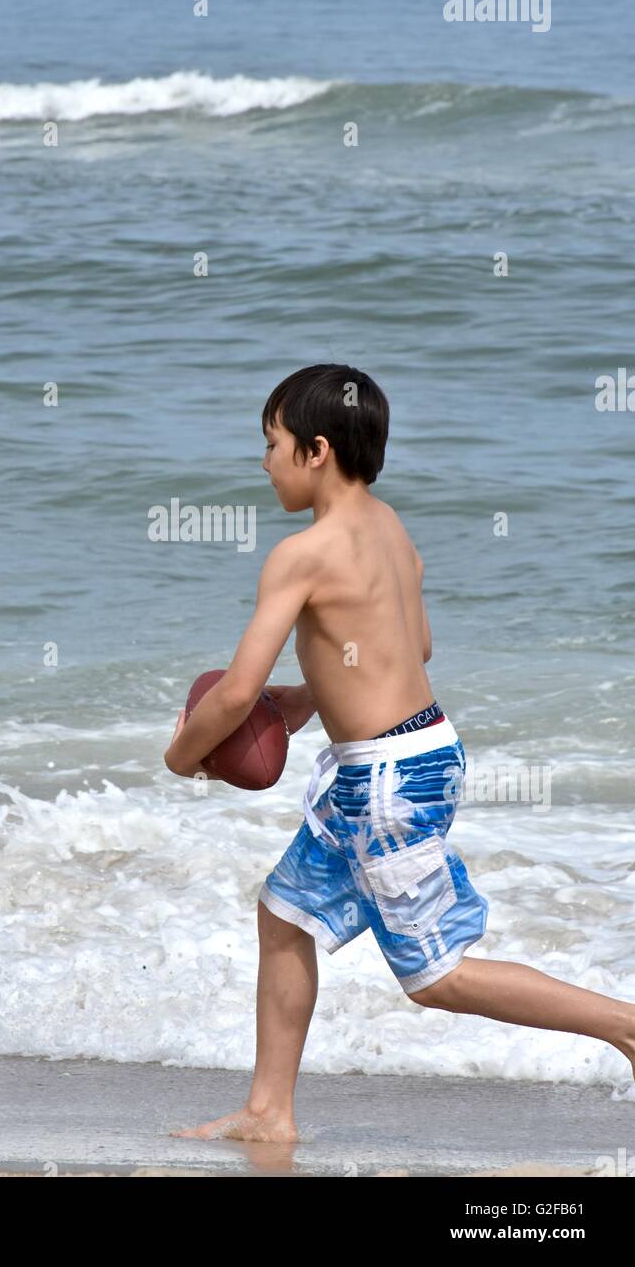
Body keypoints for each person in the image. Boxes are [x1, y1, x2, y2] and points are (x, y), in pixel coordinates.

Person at [163, 362, 635, 1144]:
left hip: (385, 781)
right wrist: (319, 692)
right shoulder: (388, 526)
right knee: (284, 915)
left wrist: (183, 756)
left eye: (271, 442)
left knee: (436, 978)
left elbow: (238, 692)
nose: (264, 460)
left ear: (316, 450)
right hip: (408, 757)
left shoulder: (301, 554)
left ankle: (626, 1024)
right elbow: (413, 643)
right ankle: (268, 1113)